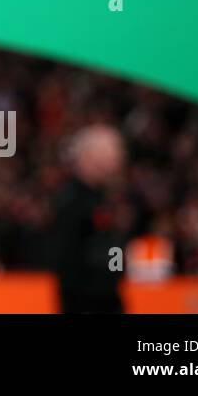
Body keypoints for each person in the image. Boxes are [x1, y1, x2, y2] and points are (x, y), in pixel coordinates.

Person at [49, 124, 128, 313]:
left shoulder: (104, 199)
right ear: (91, 157)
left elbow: (113, 246)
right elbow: (68, 258)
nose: (117, 161)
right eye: (112, 154)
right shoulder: (72, 201)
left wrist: (115, 272)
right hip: (85, 302)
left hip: (106, 298)